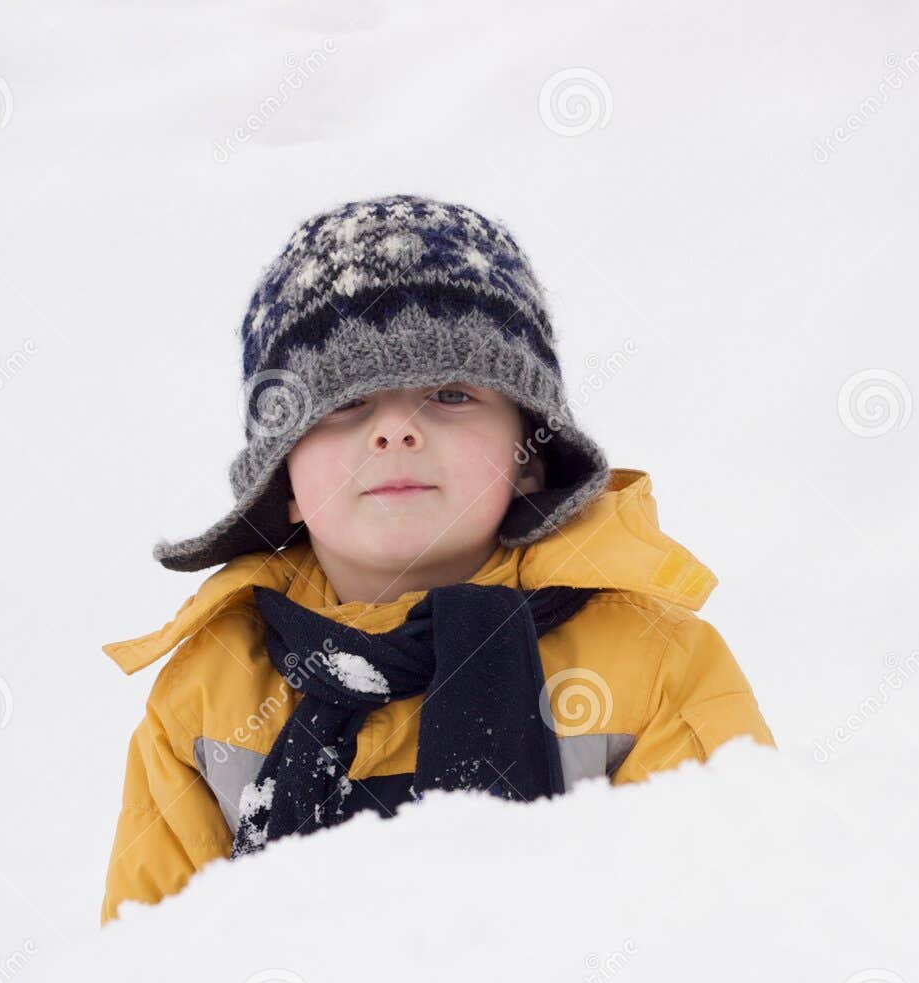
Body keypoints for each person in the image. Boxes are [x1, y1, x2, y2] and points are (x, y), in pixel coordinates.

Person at [99, 194, 774, 925]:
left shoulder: (658, 666)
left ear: (529, 458)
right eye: (342, 404)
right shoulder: (207, 693)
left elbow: (726, 945)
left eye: (450, 394)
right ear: (281, 479)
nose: (395, 431)